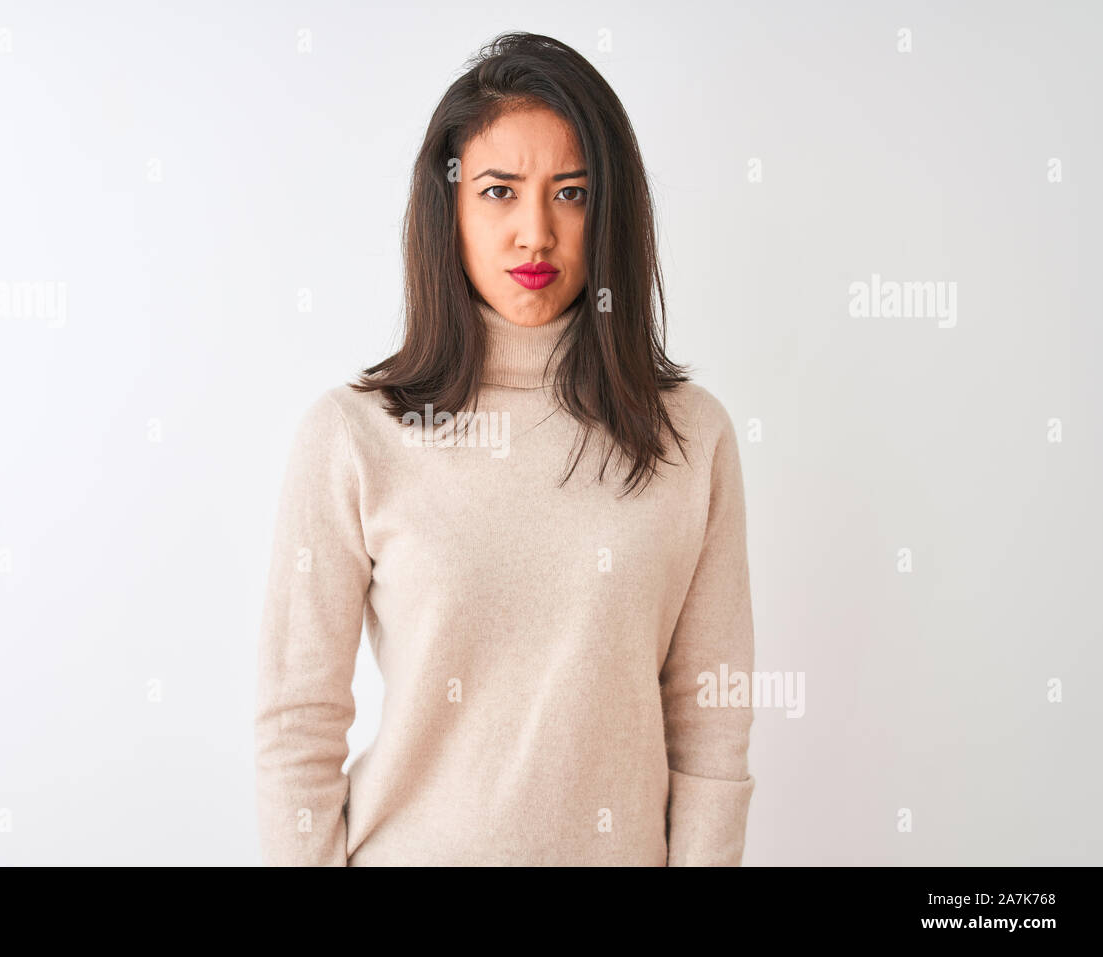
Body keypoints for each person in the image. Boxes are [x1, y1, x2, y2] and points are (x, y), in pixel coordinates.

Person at [254, 31, 756, 866]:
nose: (535, 232)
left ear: (611, 214)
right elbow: (296, 720)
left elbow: (710, 726)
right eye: (498, 191)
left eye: (571, 193)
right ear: (447, 208)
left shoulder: (691, 437)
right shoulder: (352, 435)